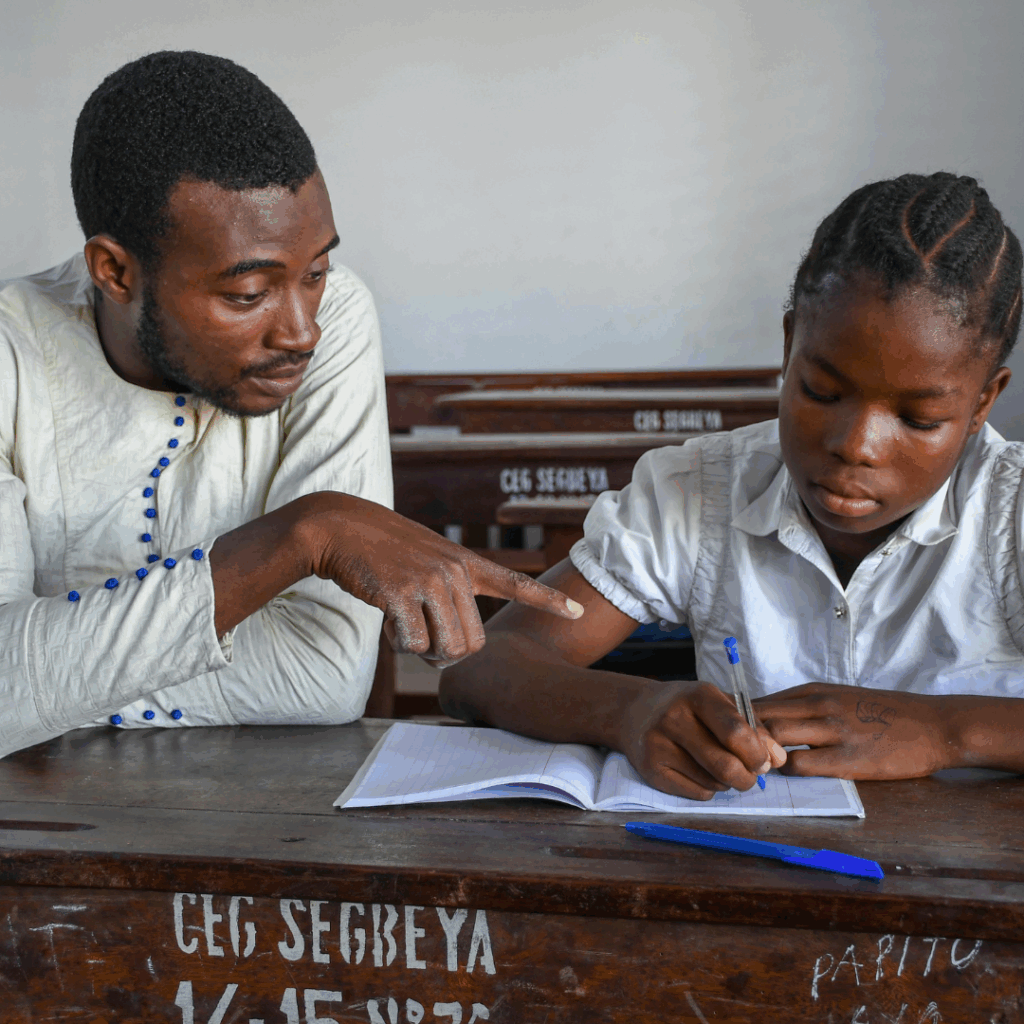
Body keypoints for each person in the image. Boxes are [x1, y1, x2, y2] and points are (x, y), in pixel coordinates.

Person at [0, 51, 580, 759]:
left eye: (316, 272)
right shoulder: (11, 354)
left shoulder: (338, 319)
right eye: (246, 296)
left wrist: (49, 677)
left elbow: (322, 676)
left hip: (264, 816)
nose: (301, 330)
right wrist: (304, 536)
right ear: (115, 271)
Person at [441, 171, 1024, 798]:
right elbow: (481, 666)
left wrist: (945, 731)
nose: (856, 445)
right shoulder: (698, 490)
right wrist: (628, 709)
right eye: (821, 391)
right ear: (788, 344)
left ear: (984, 401)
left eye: (919, 419)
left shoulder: (1008, 514)